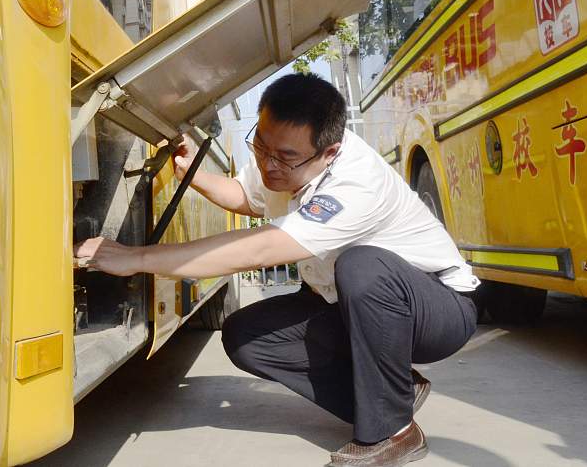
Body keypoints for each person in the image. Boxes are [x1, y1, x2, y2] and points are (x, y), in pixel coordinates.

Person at [75, 73, 479, 467]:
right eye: (261, 147)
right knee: (246, 337)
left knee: (363, 266)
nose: (269, 166)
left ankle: (395, 432)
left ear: (330, 153)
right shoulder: (282, 156)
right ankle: (396, 389)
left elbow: (263, 247)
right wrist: (192, 174)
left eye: (284, 158)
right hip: (345, 303)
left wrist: (137, 258)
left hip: (434, 308)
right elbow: (247, 197)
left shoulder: (356, 184)